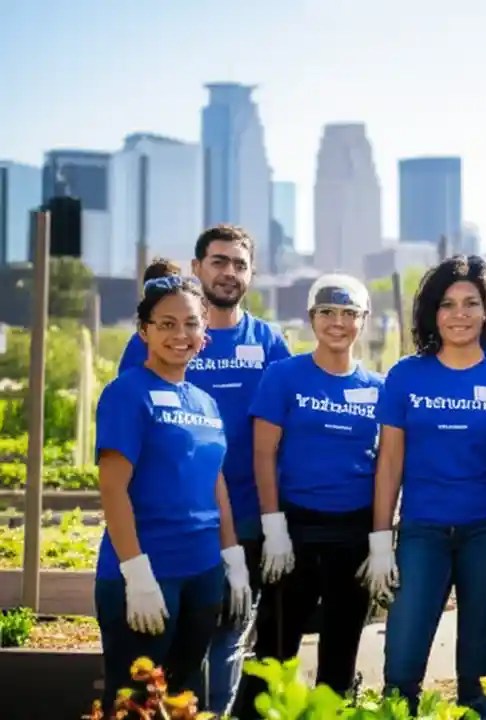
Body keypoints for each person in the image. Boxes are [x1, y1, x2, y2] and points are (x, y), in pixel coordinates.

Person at [120, 225, 291, 714]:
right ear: (196, 268)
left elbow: (285, 428)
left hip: (247, 519)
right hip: (173, 523)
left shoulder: (268, 342)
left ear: (251, 273)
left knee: (229, 637)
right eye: (218, 261)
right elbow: (130, 429)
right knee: (168, 644)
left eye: (239, 264)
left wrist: (277, 521)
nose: (228, 272)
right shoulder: (159, 338)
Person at [359, 255, 486, 718]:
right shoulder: (406, 376)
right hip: (422, 533)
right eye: (448, 304)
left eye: (471, 303)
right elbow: (389, 462)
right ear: (433, 313)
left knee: (478, 673)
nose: (459, 314)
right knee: (401, 667)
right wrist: (380, 540)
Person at [93, 271, 253, 708]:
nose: (179, 335)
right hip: (148, 576)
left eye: (190, 324)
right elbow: (112, 488)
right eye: (166, 324)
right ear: (144, 330)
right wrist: (136, 573)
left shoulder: (204, 402)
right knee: (135, 704)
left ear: (204, 333)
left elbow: (214, 480)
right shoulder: (127, 394)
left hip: (202, 574)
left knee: (183, 700)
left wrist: (232, 557)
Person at [232, 274, 384, 717]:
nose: (338, 323)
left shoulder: (379, 388)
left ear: (364, 320)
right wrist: (273, 526)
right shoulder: (284, 376)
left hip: (352, 533)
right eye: (327, 313)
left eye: (349, 313)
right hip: (294, 529)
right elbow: (263, 453)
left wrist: (380, 539)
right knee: (275, 652)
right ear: (312, 318)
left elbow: (387, 465)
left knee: (340, 651)